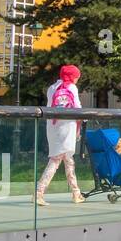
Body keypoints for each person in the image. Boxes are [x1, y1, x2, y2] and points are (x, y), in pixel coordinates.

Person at [35, 64, 85, 206]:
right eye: (76, 77)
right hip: (67, 127)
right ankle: (39, 192)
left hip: (53, 126)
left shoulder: (52, 88)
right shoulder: (71, 88)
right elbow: (77, 107)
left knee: (68, 159)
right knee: (57, 160)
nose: (77, 79)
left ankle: (76, 193)